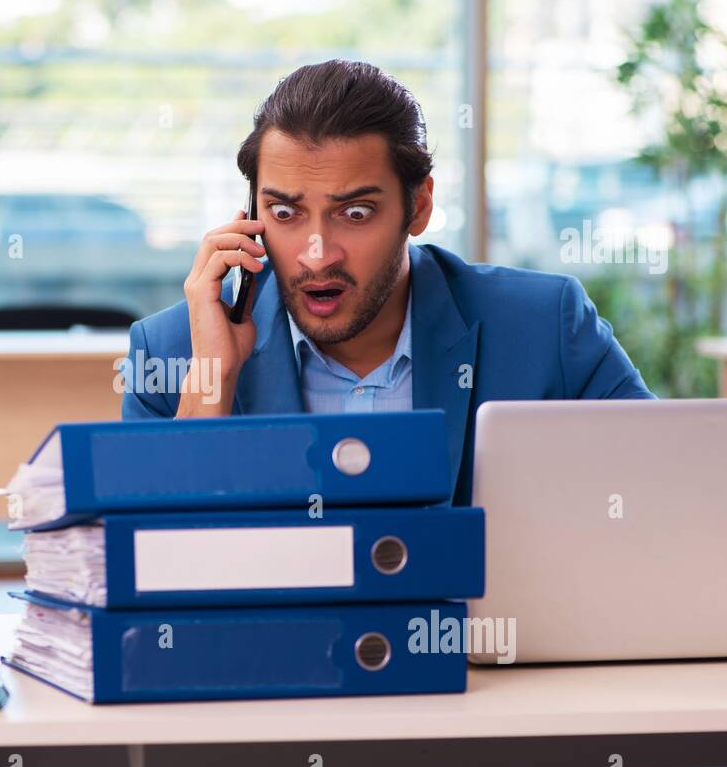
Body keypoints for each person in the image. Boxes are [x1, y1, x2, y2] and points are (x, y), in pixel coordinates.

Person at [120, 59, 654, 506]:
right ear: (250, 215)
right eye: (285, 213)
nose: (317, 255)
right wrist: (211, 384)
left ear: (418, 207)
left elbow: (665, 492)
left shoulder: (545, 327)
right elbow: (138, 574)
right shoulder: (173, 353)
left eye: (354, 213)